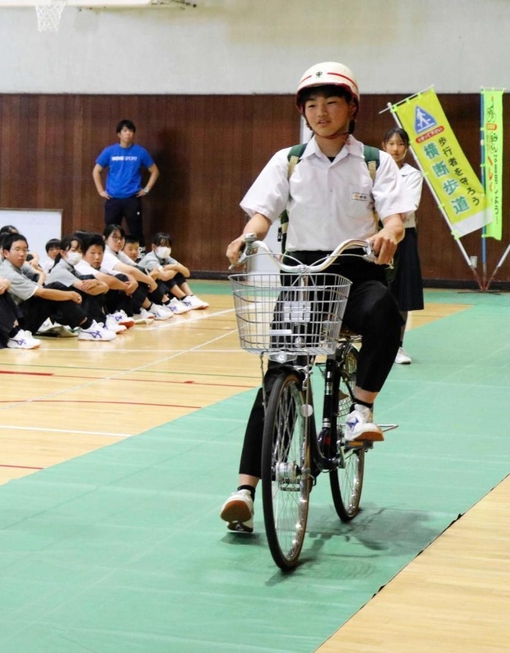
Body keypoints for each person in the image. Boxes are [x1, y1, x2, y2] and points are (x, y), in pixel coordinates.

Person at [219, 62, 413, 534]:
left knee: (387, 312)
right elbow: (262, 215)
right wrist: (247, 239)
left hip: (355, 271)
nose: (320, 112)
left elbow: (396, 217)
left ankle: (361, 410)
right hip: (304, 276)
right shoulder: (288, 160)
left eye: (331, 102)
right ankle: (244, 490)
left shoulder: (374, 160)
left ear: (351, 108)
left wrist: (390, 231)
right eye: (311, 104)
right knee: (279, 376)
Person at [382, 127, 425, 365]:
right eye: (391, 144)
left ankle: (398, 347)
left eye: (400, 144)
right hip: (375, 237)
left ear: (406, 148)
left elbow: (408, 206)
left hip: (403, 237)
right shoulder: (374, 171)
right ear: (384, 146)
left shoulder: (413, 175)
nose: (396, 149)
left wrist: (388, 220)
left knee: (401, 294)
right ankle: (374, 343)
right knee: (376, 290)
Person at [92, 119, 159, 242]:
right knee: (111, 231)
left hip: (132, 198)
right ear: (119, 134)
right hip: (113, 199)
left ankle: (139, 257)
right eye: (125, 131)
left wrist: (147, 189)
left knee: (136, 231)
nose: (128, 133)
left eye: (131, 131)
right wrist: (101, 191)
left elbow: (154, 171)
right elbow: (96, 170)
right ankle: (110, 257)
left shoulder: (140, 152)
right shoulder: (109, 151)